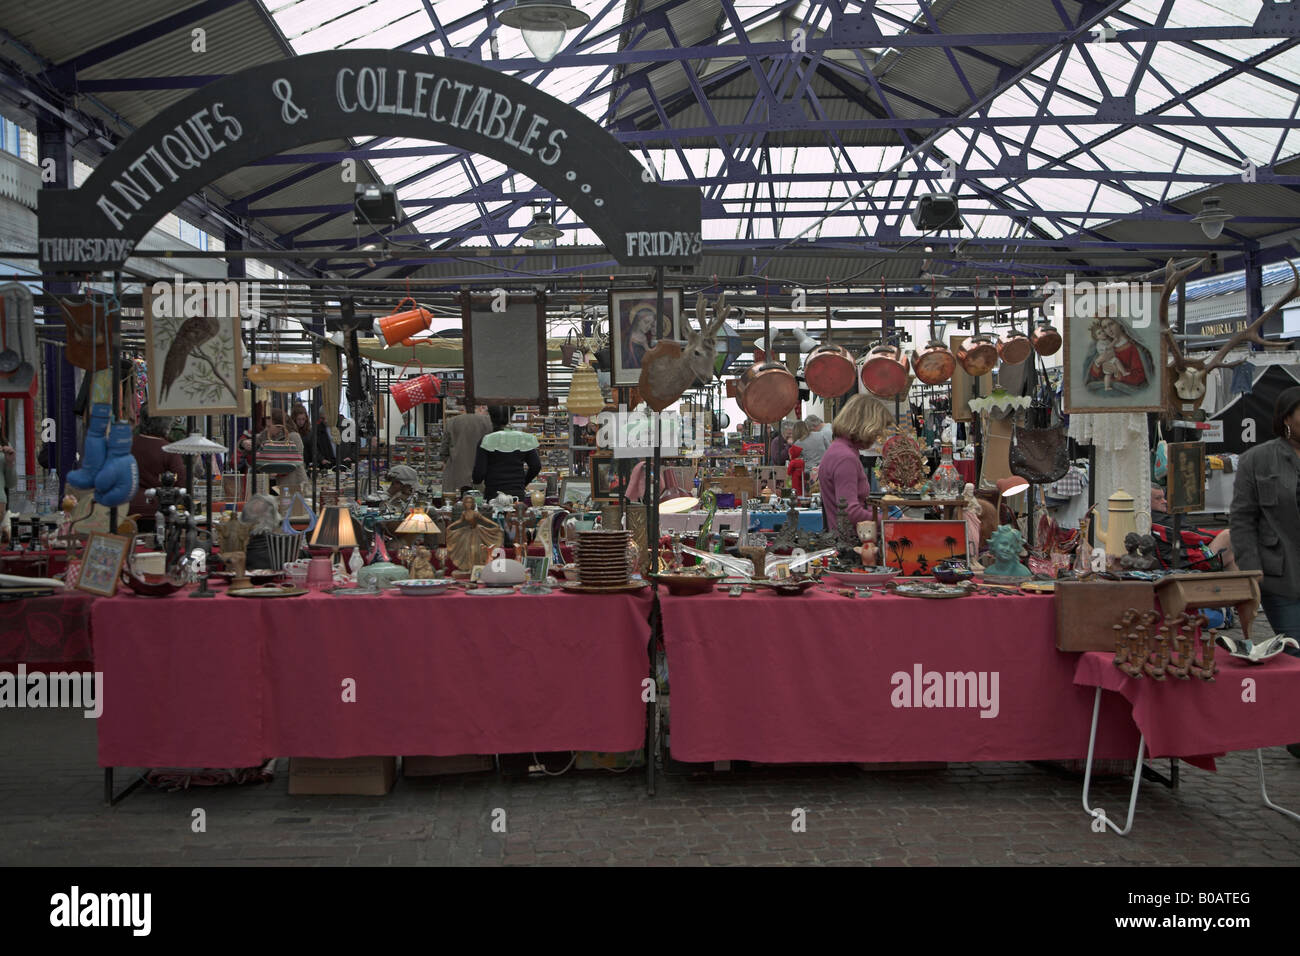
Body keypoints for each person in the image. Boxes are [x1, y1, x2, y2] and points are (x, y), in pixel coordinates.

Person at [1231, 386, 1300, 757]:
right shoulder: (1257, 460)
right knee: (1297, 651)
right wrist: (1250, 565)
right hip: (1281, 574)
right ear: (1287, 418)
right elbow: (1242, 518)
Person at [819, 394, 892, 533]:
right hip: (852, 543)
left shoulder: (839, 450)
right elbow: (850, 512)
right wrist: (889, 522)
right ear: (866, 425)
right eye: (879, 429)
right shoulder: (845, 458)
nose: (880, 435)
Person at [129, 415, 187, 530]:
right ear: (166, 426)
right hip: (158, 512)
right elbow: (181, 483)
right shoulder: (168, 450)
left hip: (126, 510)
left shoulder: (127, 444)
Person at [472, 405, 540, 501]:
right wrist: (522, 482)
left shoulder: (486, 440)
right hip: (517, 493)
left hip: (493, 494)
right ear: (510, 417)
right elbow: (536, 466)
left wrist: (475, 481)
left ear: (491, 418)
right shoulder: (523, 439)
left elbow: (479, 474)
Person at [1082, 315, 1155, 394]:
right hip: (1106, 388)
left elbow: (1139, 377)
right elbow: (1095, 377)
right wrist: (1098, 362)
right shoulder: (1105, 345)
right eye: (1105, 327)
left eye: (1111, 324)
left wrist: (1116, 372)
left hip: (1127, 391)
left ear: (1120, 324)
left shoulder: (1133, 348)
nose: (1109, 330)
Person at [441, 404, 494, 496]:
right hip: (482, 472)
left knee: (457, 502)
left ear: (463, 408)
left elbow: (444, 449)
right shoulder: (488, 422)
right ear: (480, 407)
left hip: (457, 470)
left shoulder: (452, 422)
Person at [623, 305, 658, 369]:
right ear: (638, 321)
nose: (648, 326)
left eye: (651, 324)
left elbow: (648, 352)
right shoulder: (629, 337)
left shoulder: (644, 337)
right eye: (646, 322)